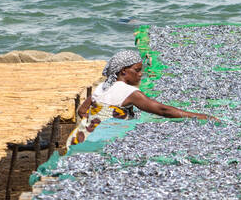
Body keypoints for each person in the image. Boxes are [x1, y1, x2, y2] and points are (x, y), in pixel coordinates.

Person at [65, 49, 215, 150]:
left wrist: (97, 121)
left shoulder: (102, 87)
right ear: (124, 71)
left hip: (77, 141)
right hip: (95, 146)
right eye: (137, 70)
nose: (141, 74)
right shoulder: (129, 92)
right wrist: (203, 117)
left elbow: (82, 111)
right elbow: (164, 111)